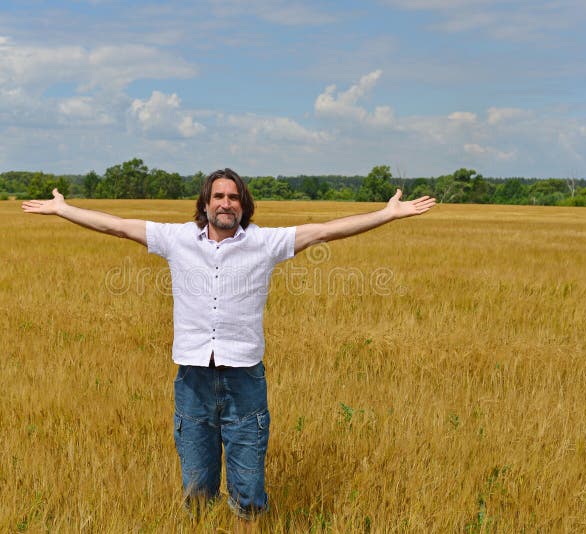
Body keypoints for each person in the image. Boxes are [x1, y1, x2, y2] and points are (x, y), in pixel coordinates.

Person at [22, 168, 436, 520]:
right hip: (193, 382)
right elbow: (115, 224)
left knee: (248, 493)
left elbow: (327, 230)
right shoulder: (175, 238)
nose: (226, 203)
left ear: (244, 205)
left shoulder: (265, 243)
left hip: (244, 383)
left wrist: (388, 214)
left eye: (234, 197)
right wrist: (63, 209)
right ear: (205, 203)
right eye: (218, 195)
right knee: (198, 489)